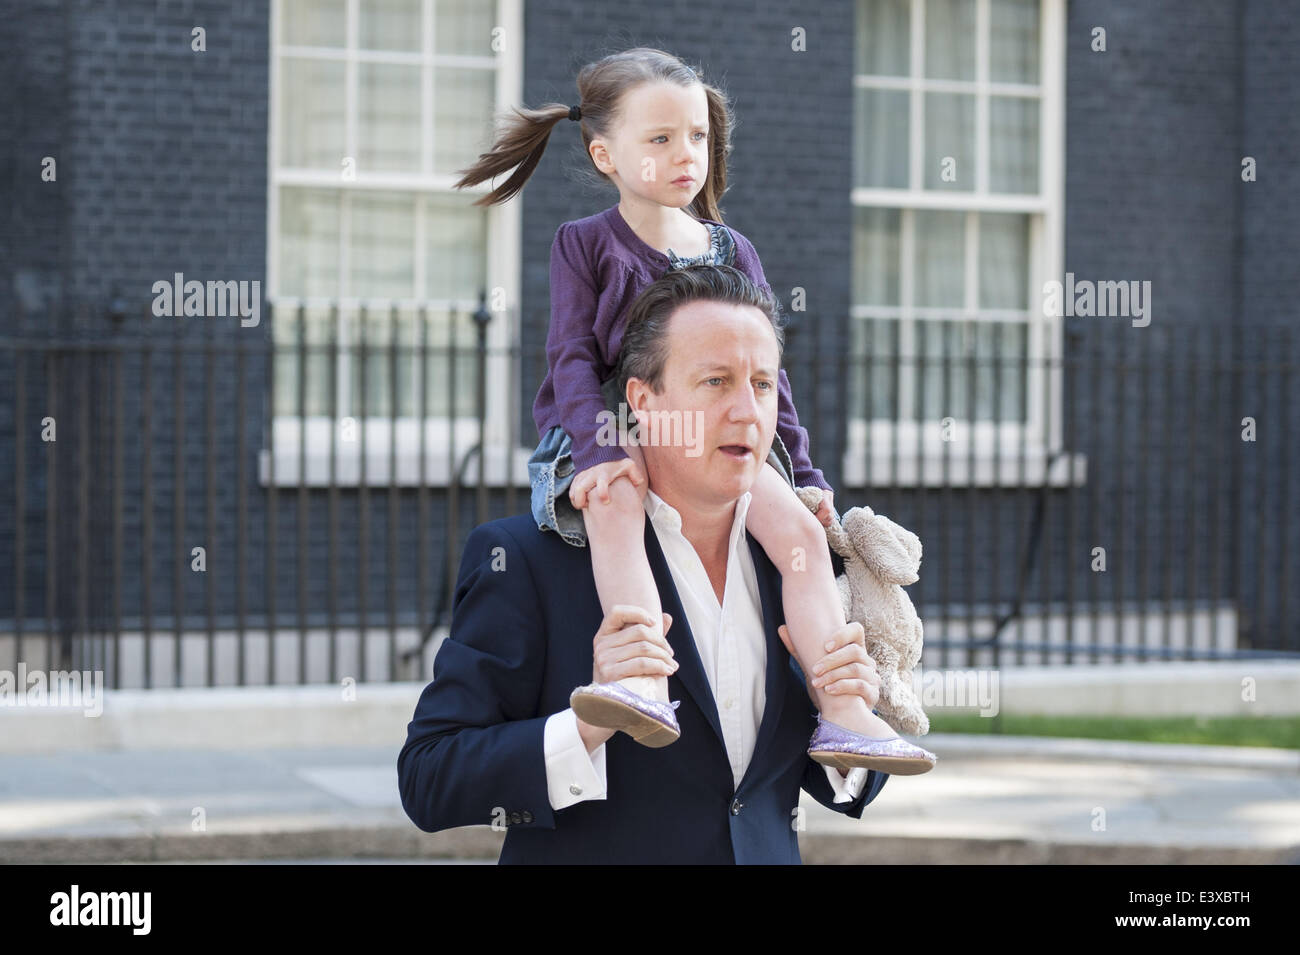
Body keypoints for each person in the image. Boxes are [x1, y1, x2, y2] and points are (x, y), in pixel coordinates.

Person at [452, 46, 932, 769]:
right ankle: (642, 676)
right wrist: (599, 451)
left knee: (799, 537)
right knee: (615, 507)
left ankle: (845, 709)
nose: (688, 154)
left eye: (699, 136)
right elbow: (571, 358)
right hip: (612, 423)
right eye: (662, 138)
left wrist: (804, 471)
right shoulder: (583, 244)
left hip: (714, 434)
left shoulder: (733, 250)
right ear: (604, 153)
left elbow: (771, 381)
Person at [398, 265, 903, 863]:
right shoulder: (528, 562)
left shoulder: (799, 565)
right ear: (642, 399)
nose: (747, 412)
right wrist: (588, 723)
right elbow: (430, 778)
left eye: (762, 384)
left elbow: (839, 787)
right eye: (715, 382)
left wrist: (840, 710)